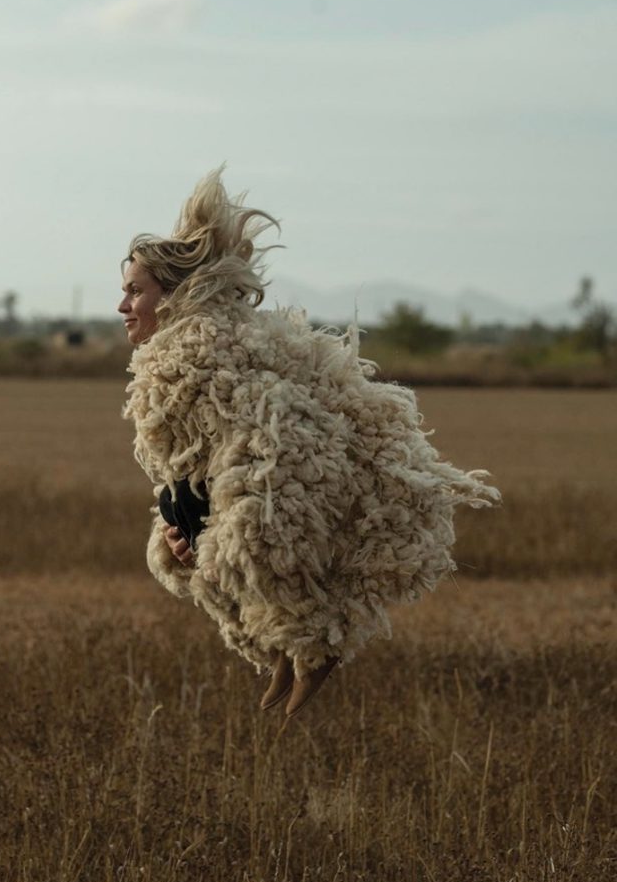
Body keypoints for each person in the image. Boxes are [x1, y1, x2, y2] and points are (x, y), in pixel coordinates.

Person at [119, 168, 499, 718]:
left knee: (251, 540)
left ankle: (311, 645)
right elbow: (191, 462)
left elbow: (278, 443)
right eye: (125, 291)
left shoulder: (206, 354)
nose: (123, 305)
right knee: (186, 526)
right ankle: (279, 646)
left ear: (178, 294)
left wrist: (233, 520)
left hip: (287, 479)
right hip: (238, 486)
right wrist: (183, 524)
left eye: (135, 292)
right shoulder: (181, 356)